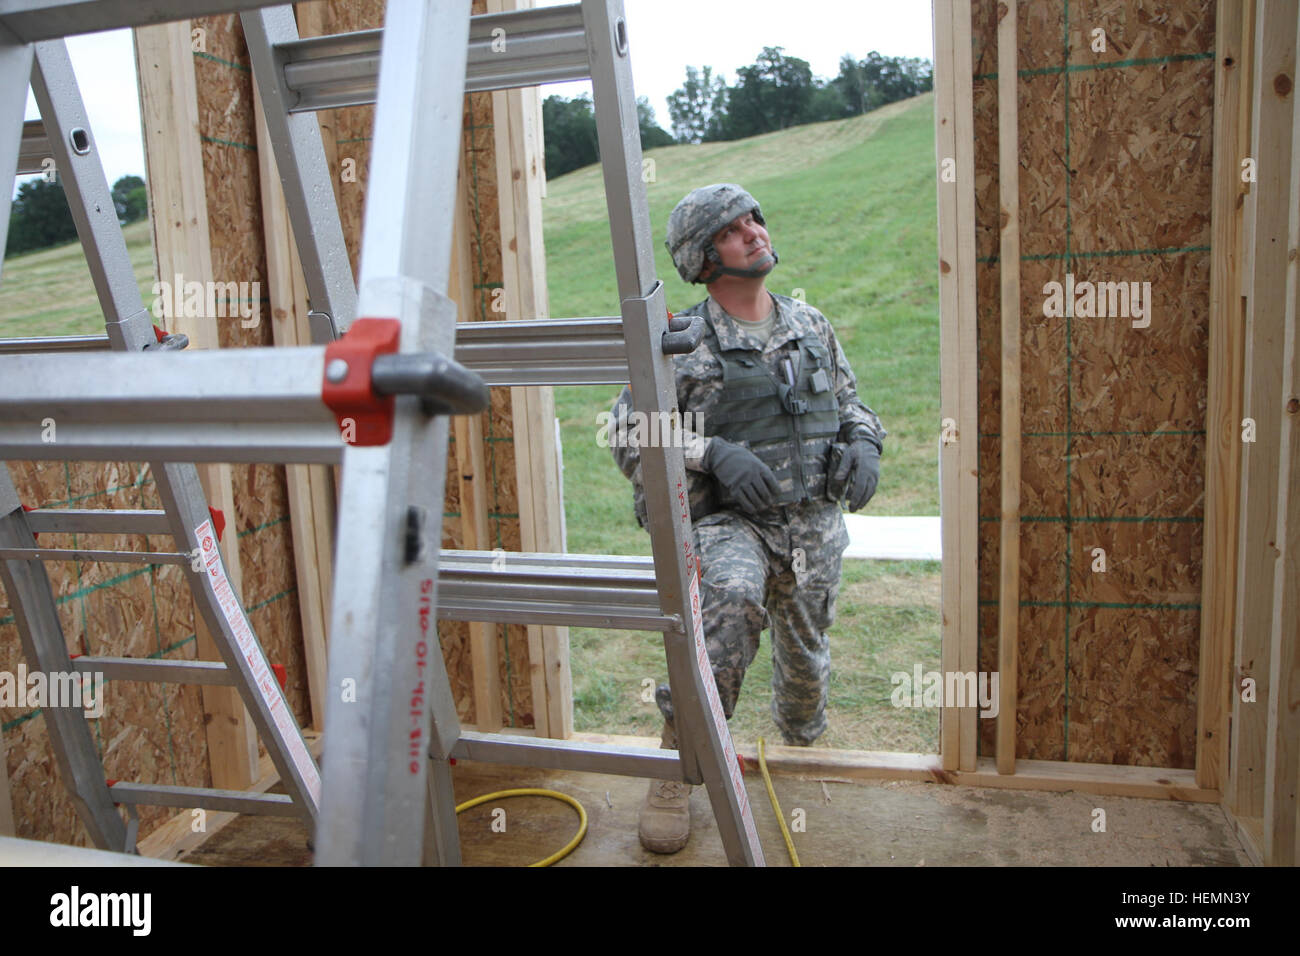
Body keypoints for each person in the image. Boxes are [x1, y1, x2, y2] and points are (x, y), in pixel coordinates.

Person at [608, 183, 886, 853]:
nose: (755, 231)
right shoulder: (680, 343)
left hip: (814, 526)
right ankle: (680, 764)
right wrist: (713, 452)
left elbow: (852, 403)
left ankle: (800, 749)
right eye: (733, 229)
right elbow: (625, 431)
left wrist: (864, 442)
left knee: (806, 669)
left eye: (755, 218)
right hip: (734, 525)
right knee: (726, 608)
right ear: (704, 256)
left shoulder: (810, 325)